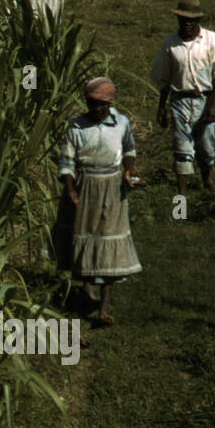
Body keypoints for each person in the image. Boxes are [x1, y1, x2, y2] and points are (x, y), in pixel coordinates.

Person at [53, 77, 143, 325]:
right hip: (85, 186)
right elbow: (67, 162)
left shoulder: (121, 123)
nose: (95, 109)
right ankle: (87, 289)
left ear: (109, 103)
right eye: (91, 104)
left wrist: (129, 171)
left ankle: (104, 308)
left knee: (109, 238)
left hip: (113, 188)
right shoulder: (76, 127)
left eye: (101, 105)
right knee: (87, 236)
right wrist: (71, 189)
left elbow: (129, 150)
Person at [151, 0, 215, 195]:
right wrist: (161, 107)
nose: (187, 24)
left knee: (206, 147)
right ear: (178, 18)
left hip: (204, 99)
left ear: (198, 20)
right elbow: (165, 80)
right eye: (183, 20)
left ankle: (207, 179)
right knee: (182, 147)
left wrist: (214, 105)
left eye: (192, 20)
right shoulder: (170, 45)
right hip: (179, 101)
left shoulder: (212, 41)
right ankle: (182, 193)